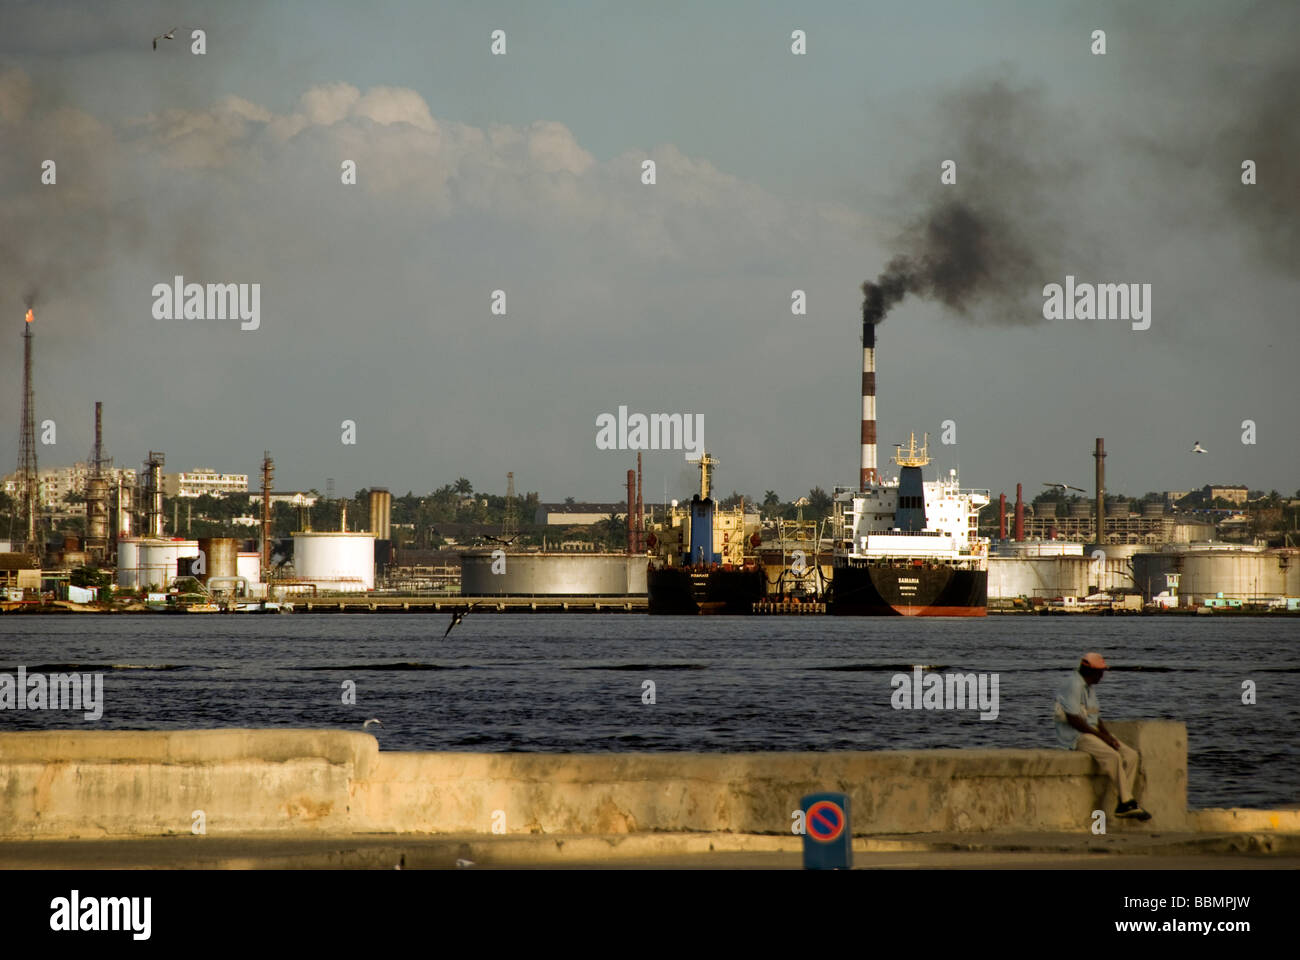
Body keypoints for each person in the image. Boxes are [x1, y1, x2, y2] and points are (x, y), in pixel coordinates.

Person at [1053, 652, 1151, 821]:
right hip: (1076, 736)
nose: (1102, 675)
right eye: (1101, 672)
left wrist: (1108, 736)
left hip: (1091, 732)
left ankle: (1123, 802)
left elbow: (1094, 717)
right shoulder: (1073, 685)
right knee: (1112, 756)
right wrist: (1101, 737)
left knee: (1131, 756)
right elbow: (1074, 719)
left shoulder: (1089, 688)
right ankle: (1127, 802)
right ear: (1092, 671)